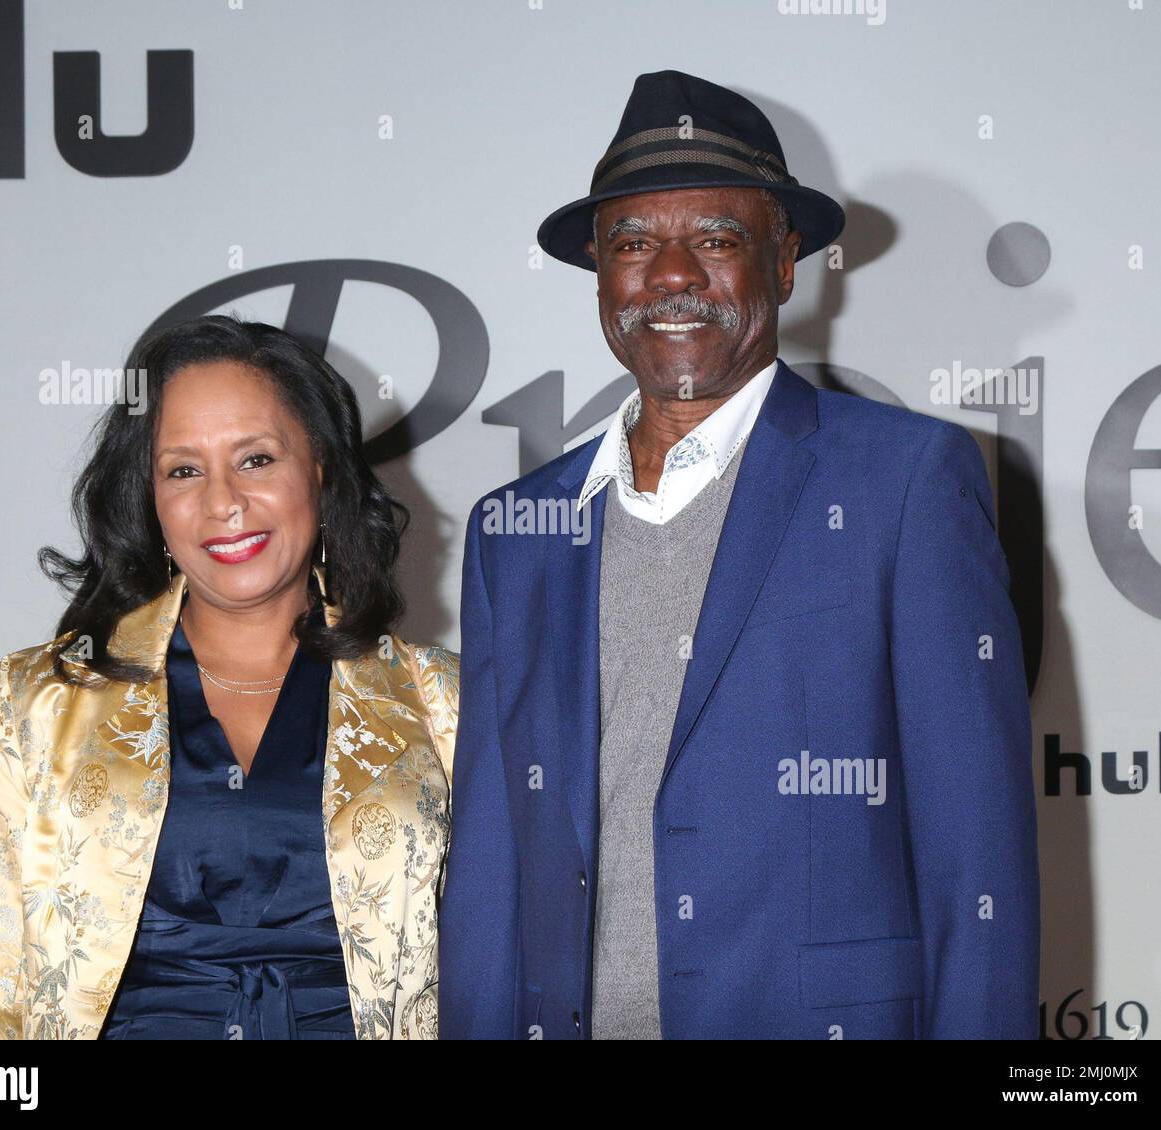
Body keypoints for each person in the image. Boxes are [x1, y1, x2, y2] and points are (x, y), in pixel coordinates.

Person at [440, 70, 1039, 1039]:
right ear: (600, 270)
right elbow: (491, 870)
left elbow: (978, 858)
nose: (671, 275)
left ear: (785, 260)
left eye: (714, 239)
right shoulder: (516, 528)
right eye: (634, 243)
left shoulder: (905, 481)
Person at [0, 315, 457, 1040]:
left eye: (257, 459)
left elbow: (497, 971)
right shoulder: (41, 701)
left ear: (321, 469)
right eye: (183, 469)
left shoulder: (443, 704)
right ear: (149, 497)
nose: (223, 502)